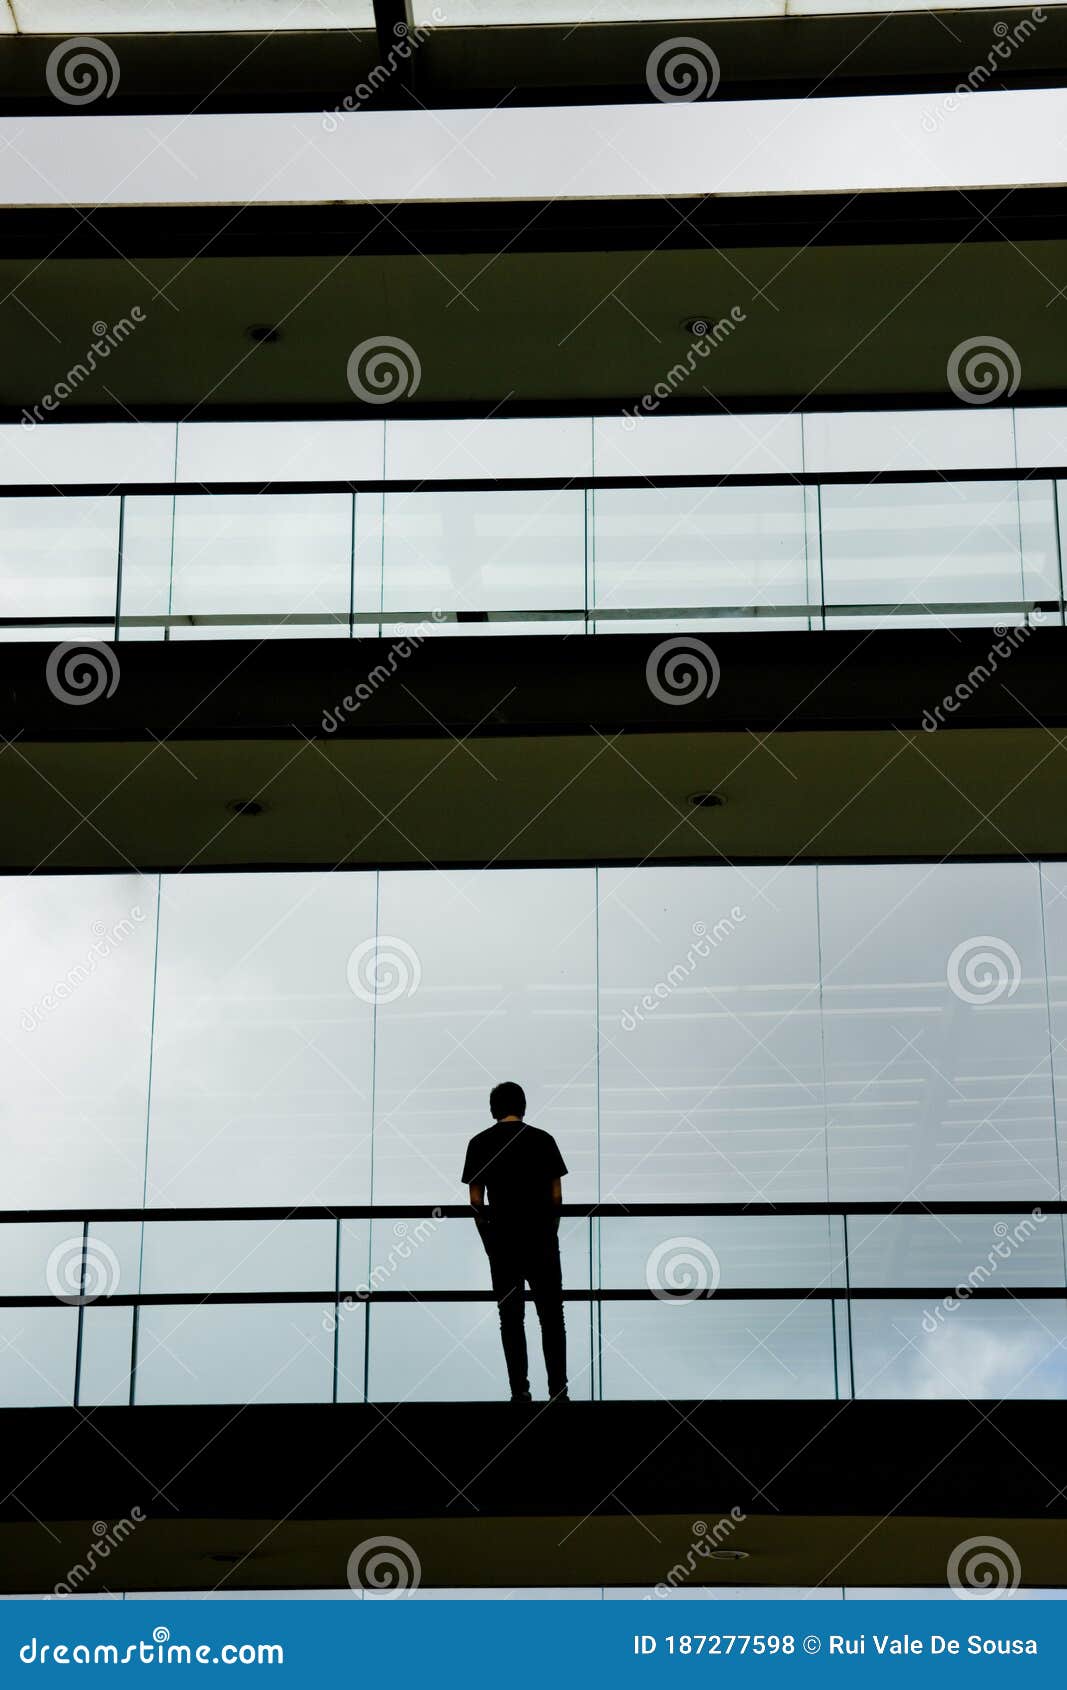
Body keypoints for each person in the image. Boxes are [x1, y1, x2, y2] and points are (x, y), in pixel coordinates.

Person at [461, 1081, 569, 1403]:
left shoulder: (479, 1143)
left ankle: (520, 1390)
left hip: (503, 1242)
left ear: (493, 1109)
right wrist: (550, 1231)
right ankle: (558, 1390)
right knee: (551, 1317)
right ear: (523, 1106)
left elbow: (476, 1201)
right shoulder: (543, 1140)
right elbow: (556, 1196)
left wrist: (488, 1238)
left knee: (510, 1317)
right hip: (541, 1240)